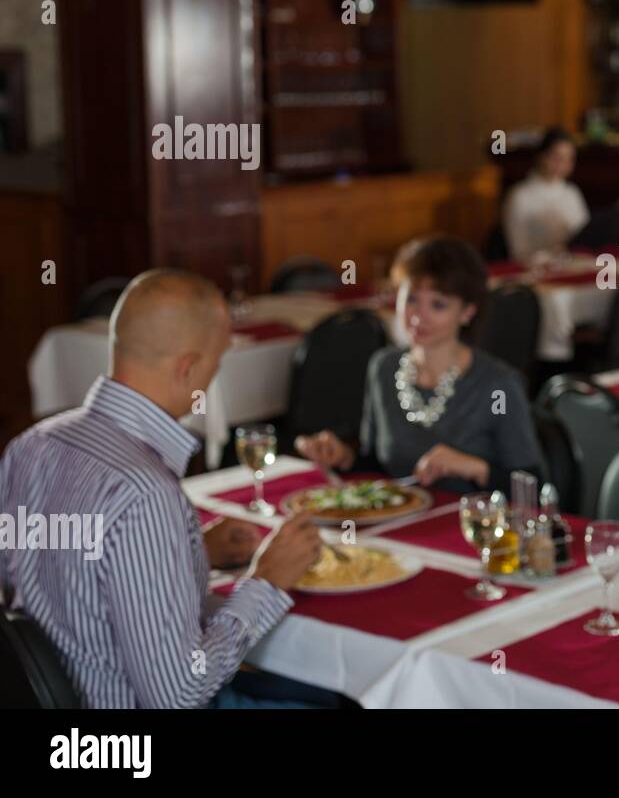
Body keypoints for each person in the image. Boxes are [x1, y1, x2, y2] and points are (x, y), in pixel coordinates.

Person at [0, 269, 323, 708]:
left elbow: (47, 571)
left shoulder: (30, 446)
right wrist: (266, 582)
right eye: (217, 361)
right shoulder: (144, 492)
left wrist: (195, 554)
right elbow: (178, 692)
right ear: (187, 367)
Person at [295, 236, 543, 492]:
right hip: (396, 526)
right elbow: (378, 466)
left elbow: (533, 486)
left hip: (474, 527)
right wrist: (344, 457)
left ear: (468, 311)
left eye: (438, 304)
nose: (419, 316)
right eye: (412, 299)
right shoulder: (383, 367)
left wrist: (475, 467)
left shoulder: (498, 384)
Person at [501, 126, 590, 264]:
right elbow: (519, 252)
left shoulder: (572, 192)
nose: (563, 165)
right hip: (536, 268)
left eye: (569, 159)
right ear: (542, 157)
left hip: (570, 263)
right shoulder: (520, 196)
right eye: (557, 158)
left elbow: (585, 235)